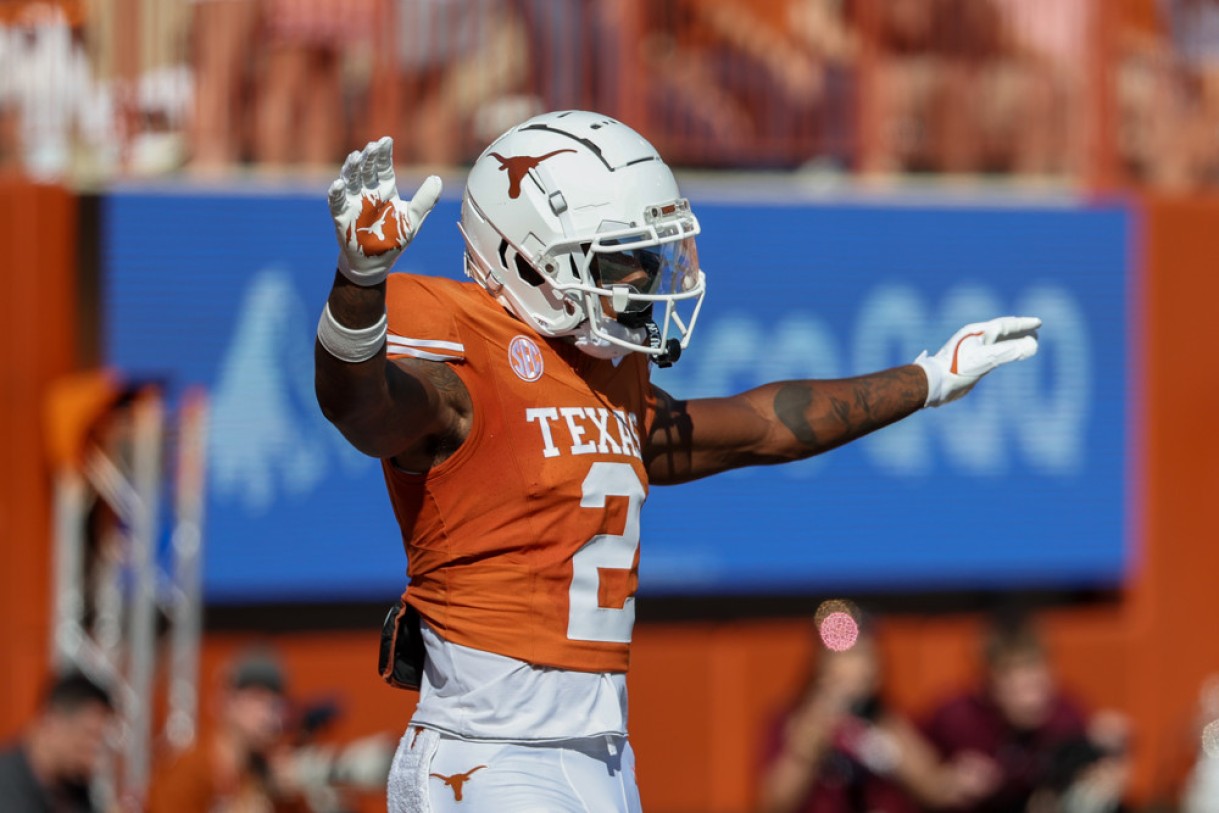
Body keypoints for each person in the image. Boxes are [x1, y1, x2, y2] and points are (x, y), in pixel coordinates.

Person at [313, 110, 1041, 812]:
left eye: (644, 255)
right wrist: (359, 283)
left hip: (602, 752)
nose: (640, 278)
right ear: (523, 257)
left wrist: (928, 378)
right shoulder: (462, 372)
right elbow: (361, 406)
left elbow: (762, 427)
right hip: (487, 753)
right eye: (616, 257)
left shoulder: (611, 384)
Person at [758, 609, 999, 813]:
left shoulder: (886, 721)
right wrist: (813, 737)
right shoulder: (795, 721)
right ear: (822, 666)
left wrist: (960, 780)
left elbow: (932, 785)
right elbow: (775, 803)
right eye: (848, 657)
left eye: (867, 657)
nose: (861, 669)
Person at [921, 612, 1130, 813]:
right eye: (1016, 688)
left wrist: (1106, 768)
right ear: (989, 685)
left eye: (1037, 685)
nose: (1030, 700)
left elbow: (1091, 779)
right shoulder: (955, 720)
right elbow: (918, 777)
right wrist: (943, 783)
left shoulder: (1066, 717)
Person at [147, 647, 305, 813]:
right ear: (226, 701)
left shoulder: (269, 772)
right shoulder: (190, 770)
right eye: (257, 698)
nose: (268, 713)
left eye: (275, 701)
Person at [0, 670, 116, 813]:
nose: (93, 758)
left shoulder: (72, 785)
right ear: (51, 723)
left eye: (100, 741)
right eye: (89, 735)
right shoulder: (6, 783)